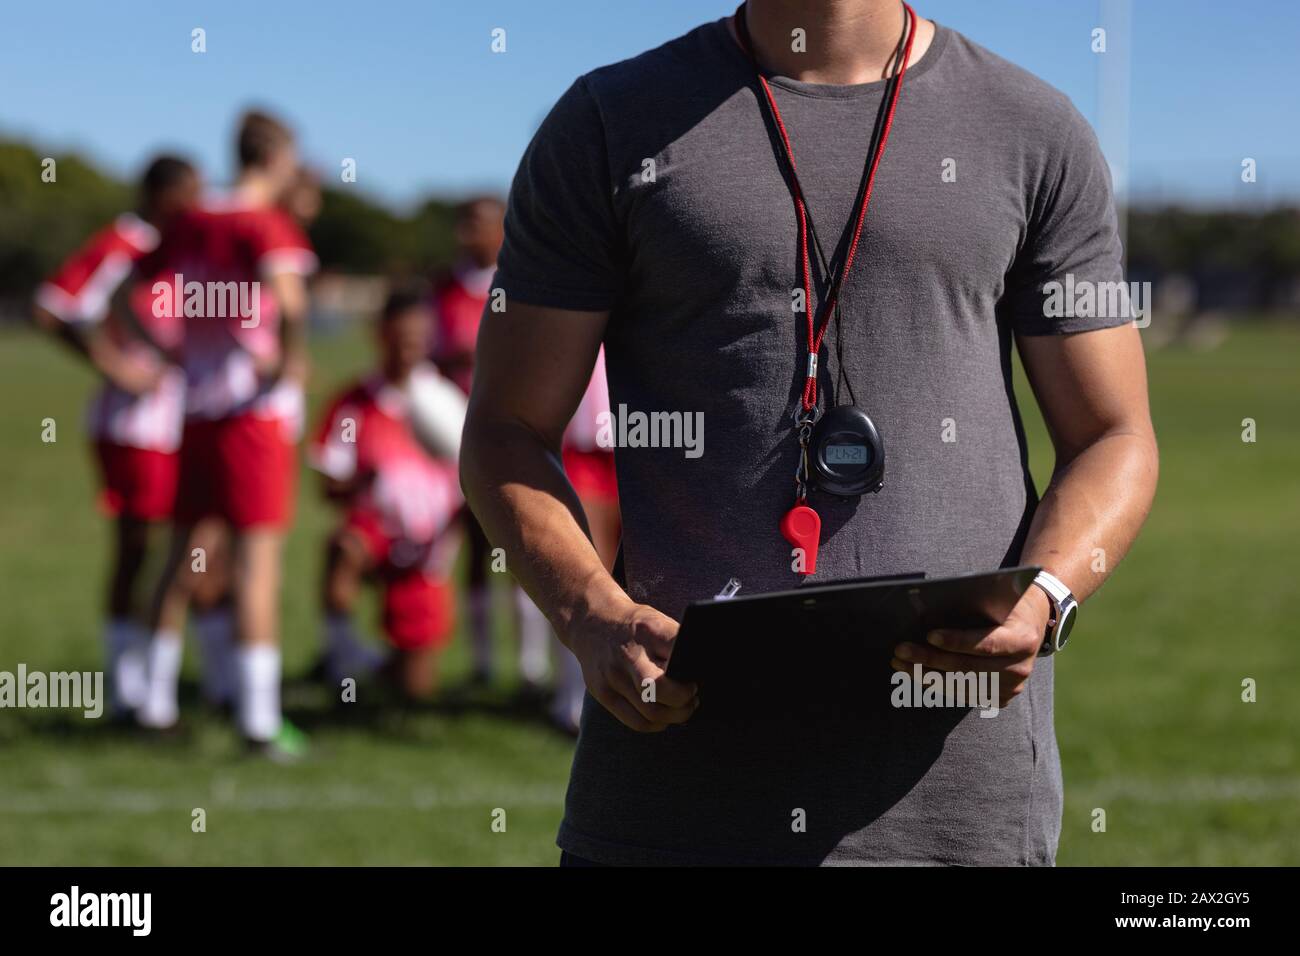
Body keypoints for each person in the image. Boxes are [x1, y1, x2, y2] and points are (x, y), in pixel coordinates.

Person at [461, 0, 1159, 865]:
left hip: (957, 809)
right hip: (672, 799)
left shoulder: (1033, 126)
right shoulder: (607, 120)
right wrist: (589, 613)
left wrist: (1047, 597)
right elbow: (505, 428)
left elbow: (1114, 434)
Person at [130, 110, 317, 760]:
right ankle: (260, 722)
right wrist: (289, 365)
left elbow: (132, 290)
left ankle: (152, 703)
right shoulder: (265, 222)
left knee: (180, 559)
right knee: (257, 568)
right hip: (251, 417)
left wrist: (173, 350)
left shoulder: (193, 219)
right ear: (276, 156)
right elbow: (290, 305)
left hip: (197, 413)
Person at [31, 156, 202, 716]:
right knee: (142, 550)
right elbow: (54, 307)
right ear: (162, 195)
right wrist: (115, 367)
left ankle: (188, 681)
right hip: (134, 428)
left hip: (186, 422)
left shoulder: (187, 247)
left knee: (197, 550)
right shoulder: (129, 240)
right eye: (190, 194)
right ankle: (126, 686)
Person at [310, 289, 465, 698]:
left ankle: (378, 666)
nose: (407, 349)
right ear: (379, 335)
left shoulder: (450, 402)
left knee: (414, 692)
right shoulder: (355, 404)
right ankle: (342, 658)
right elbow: (327, 484)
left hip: (429, 550)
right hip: (374, 532)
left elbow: (476, 482)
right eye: (399, 338)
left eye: (416, 339)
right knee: (341, 548)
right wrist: (366, 481)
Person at [431, 197, 551, 693]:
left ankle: (530, 666)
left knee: (524, 546)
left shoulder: (522, 280)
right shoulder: (442, 288)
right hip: (451, 432)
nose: (466, 233)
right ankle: (481, 662)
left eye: (478, 224)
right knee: (475, 551)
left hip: (510, 432)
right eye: (463, 222)